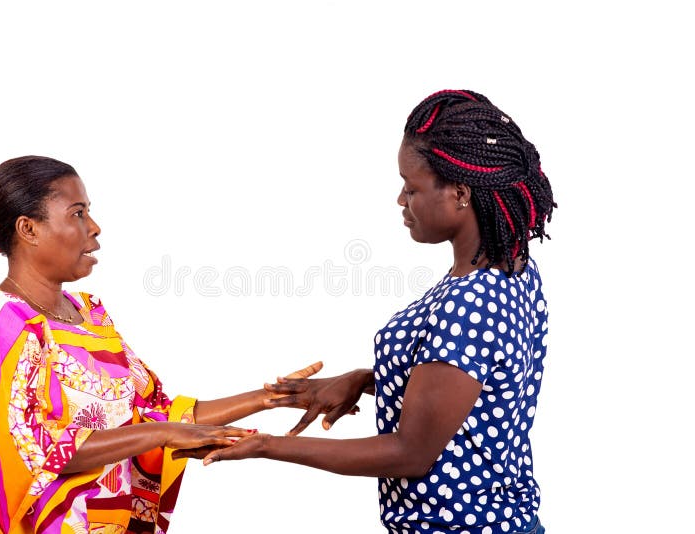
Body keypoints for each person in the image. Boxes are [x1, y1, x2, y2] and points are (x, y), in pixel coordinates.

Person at [196, 90, 556, 534]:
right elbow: (474, 389)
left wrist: (268, 447)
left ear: (460, 193)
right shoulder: (512, 271)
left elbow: (410, 453)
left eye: (412, 187)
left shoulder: (470, 304)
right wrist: (369, 379)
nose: (401, 201)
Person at [0, 156, 324, 534]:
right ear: (28, 228)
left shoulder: (88, 314)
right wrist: (163, 434)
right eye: (77, 213)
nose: (95, 227)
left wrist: (275, 397)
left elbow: (157, 414)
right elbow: (31, 448)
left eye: (89, 212)